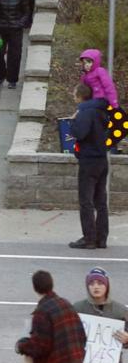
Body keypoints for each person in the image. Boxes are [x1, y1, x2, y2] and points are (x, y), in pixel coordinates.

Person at [16, 270, 88, 363]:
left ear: (34, 288)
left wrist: (21, 345)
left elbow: (40, 347)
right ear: (51, 284)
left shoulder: (41, 312)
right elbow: (81, 336)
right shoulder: (66, 304)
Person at [70, 82, 110, 250]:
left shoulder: (85, 112)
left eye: (74, 95)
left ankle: (89, 238)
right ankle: (102, 238)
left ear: (80, 96)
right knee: (100, 201)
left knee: (86, 201)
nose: (73, 97)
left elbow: (80, 133)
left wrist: (73, 122)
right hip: (102, 158)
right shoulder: (101, 110)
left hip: (89, 160)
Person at [72, 267, 128, 363]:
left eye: (100, 283)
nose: (95, 287)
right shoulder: (77, 309)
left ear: (107, 286)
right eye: (91, 283)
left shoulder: (120, 311)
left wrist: (127, 339)